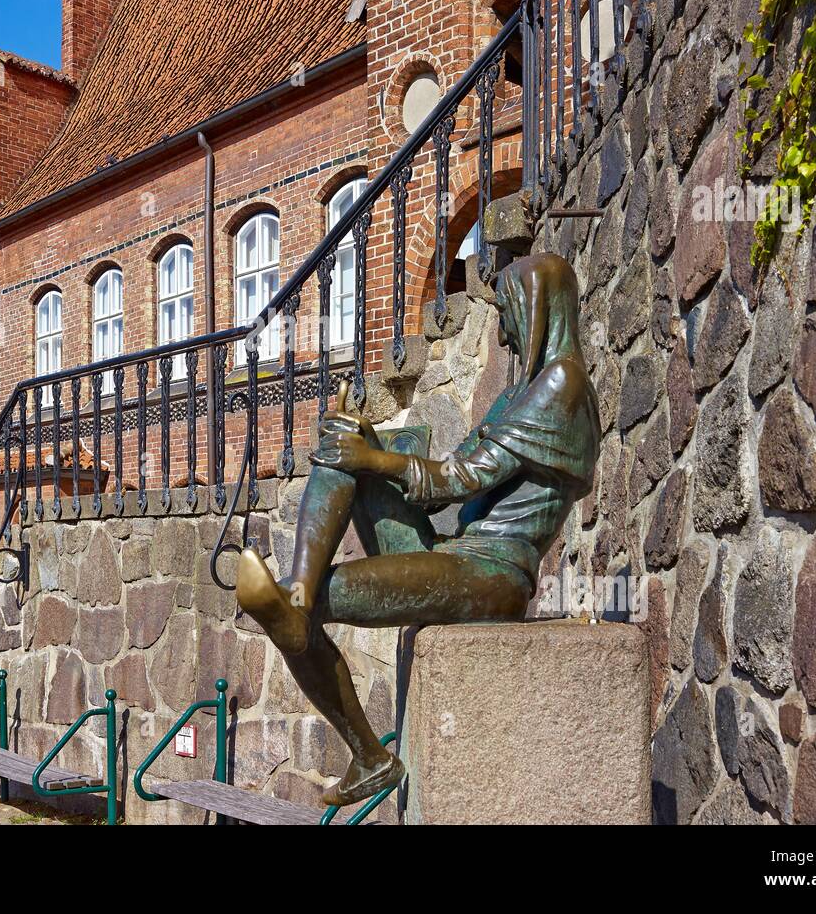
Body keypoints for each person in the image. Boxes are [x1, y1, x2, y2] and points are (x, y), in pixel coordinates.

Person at [237, 252, 601, 805]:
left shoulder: (563, 386)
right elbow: (449, 475)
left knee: (313, 598)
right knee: (342, 440)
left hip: (494, 576)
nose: (501, 330)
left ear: (537, 309)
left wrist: (374, 460)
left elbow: (459, 478)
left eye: (507, 312)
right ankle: (301, 594)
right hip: (457, 552)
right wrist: (364, 447)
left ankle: (352, 718)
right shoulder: (517, 393)